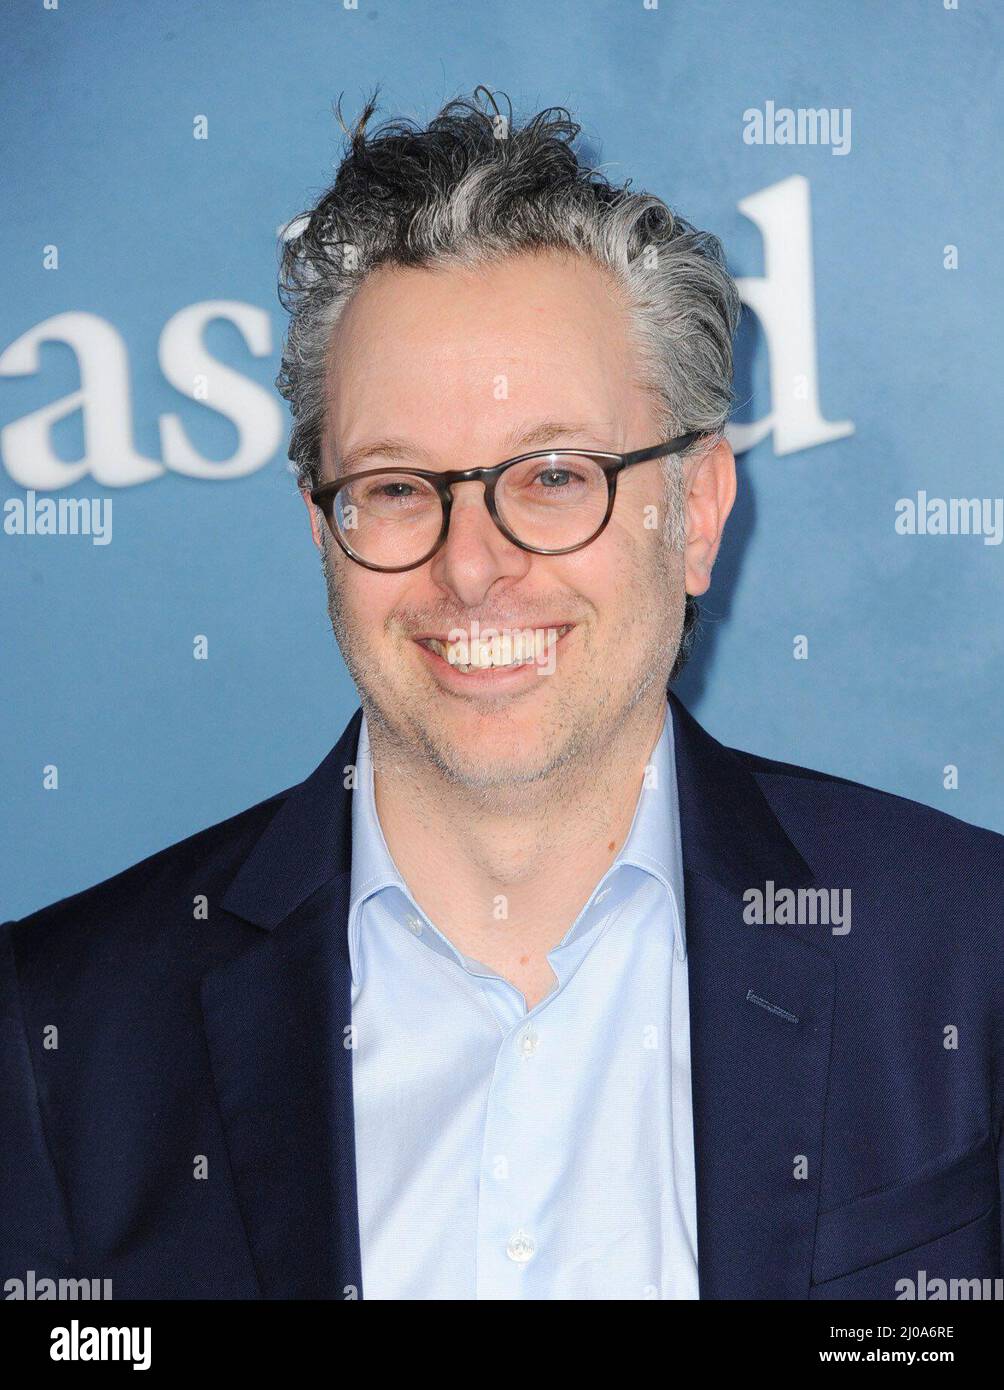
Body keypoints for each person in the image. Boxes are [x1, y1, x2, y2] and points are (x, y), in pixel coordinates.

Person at [2, 90, 1001, 1301]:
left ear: (691, 514)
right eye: (398, 486)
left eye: (551, 475)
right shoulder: (59, 1032)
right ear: (322, 531)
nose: (470, 566)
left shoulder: (963, 952)